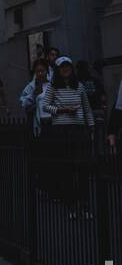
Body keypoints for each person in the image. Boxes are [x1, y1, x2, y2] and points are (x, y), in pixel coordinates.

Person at [43, 56, 94, 211]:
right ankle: (70, 202)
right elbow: (45, 106)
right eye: (62, 67)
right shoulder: (53, 86)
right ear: (58, 70)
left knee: (82, 166)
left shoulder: (79, 86)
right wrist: (61, 110)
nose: (65, 69)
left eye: (68, 67)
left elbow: (86, 108)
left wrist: (91, 127)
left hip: (78, 128)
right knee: (67, 167)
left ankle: (84, 202)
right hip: (61, 128)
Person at [19, 59, 51, 137]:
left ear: (47, 71)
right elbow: (22, 103)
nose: (40, 73)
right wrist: (33, 95)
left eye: (42, 71)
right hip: (36, 123)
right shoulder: (31, 86)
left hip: (51, 122)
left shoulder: (51, 85)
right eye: (37, 71)